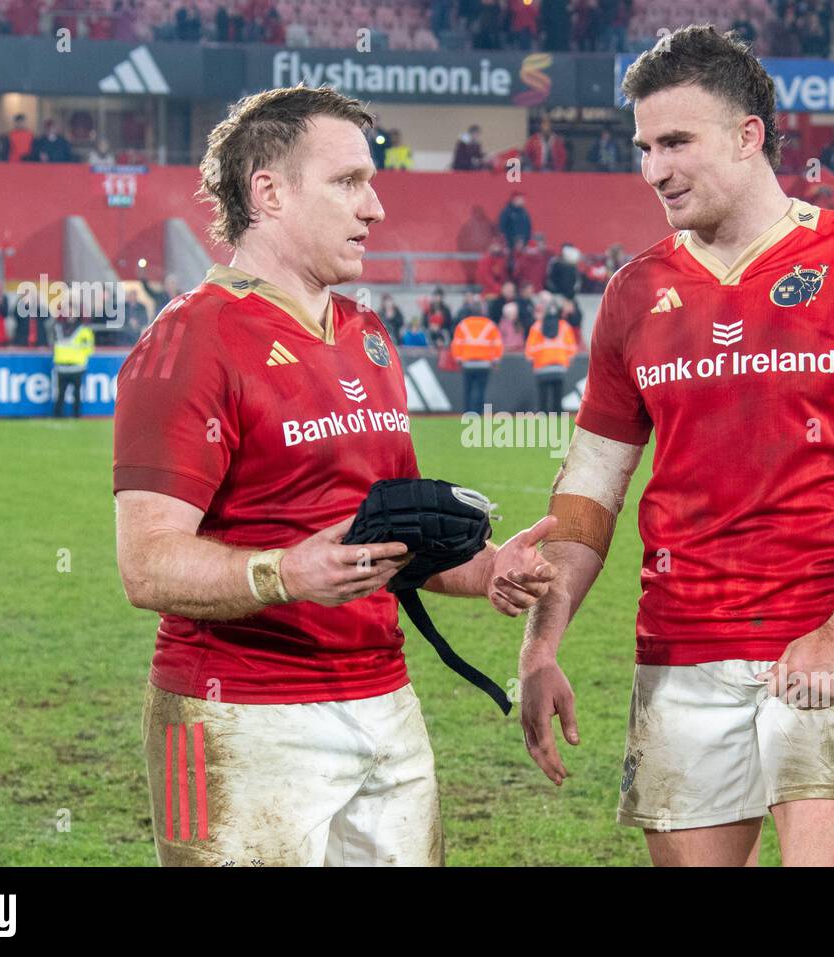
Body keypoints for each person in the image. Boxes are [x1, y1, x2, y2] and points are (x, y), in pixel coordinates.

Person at [518, 26, 834, 868]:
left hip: (823, 643)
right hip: (678, 653)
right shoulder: (633, 292)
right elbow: (591, 487)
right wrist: (541, 643)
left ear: (749, 134)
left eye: (677, 141)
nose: (655, 169)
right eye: (644, 146)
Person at [112, 86, 556, 868]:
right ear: (269, 192)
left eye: (371, 181)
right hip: (238, 718)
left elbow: (389, 548)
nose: (376, 206)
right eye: (349, 182)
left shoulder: (369, 336)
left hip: (387, 708)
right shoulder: (187, 340)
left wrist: (487, 567)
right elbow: (145, 562)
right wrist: (284, 571)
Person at [525, 300, 578, 414]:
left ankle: (543, 415)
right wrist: (568, 360)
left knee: (542, 396)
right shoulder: (565, 326)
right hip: (559, 367)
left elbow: (530, 349)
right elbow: (572, 347)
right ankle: (558, 414)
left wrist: (533, 361)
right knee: (557, 395)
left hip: (541, 367)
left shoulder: (537, 326)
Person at [450, 310, 503, 414]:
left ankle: (467, 412)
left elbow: (456, 343)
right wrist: (496, 360)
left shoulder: (463, 324)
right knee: (480, 390)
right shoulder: (490, 325)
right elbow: (497, 344)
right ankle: (477, 412)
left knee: (467, 390)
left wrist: (458, 358)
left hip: (467, 364)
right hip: (484, 364)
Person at [52, 309, 94, 417]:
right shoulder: (58, 327)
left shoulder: (83, 330)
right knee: (60, 394)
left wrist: (80, 357)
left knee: (77, 394)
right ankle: (58, 415)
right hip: (62, 366)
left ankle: (77, 415)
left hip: (77, 367)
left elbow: (89, 348)